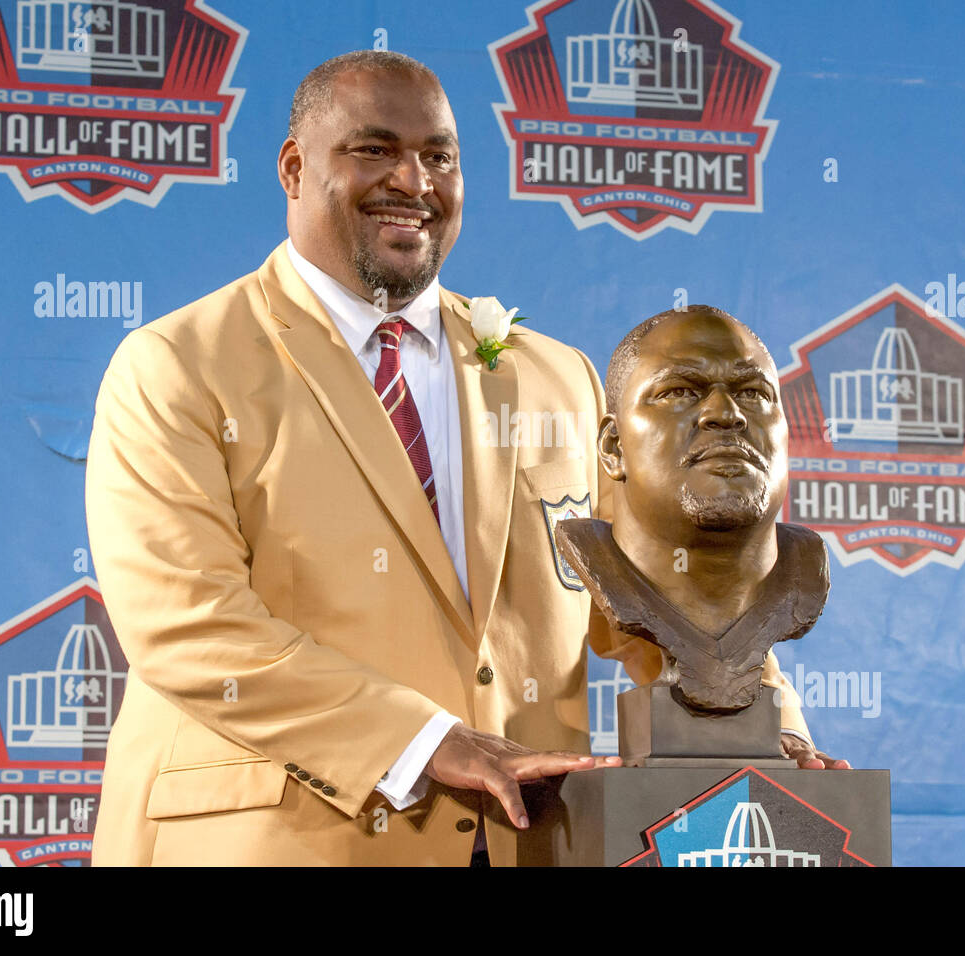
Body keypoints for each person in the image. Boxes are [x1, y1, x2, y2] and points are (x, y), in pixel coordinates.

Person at [85, 51, 817, 868]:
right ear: (294, 169)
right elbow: (185, 624)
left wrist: (768, 724)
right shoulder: (178, 364)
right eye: (374, 150)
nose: (414, 181)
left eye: (439, 157)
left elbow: (650, 594)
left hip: (527, 843)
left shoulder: (556, 377)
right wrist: (429, 740)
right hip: (269, 845)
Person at [581, 305, 851, 768]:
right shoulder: (540, 389)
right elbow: (636, 564)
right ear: (613, 446)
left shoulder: (553, 373)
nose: (726, 414)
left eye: (752, 392)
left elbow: (692, 595)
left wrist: (774, 723)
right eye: (680, 391)